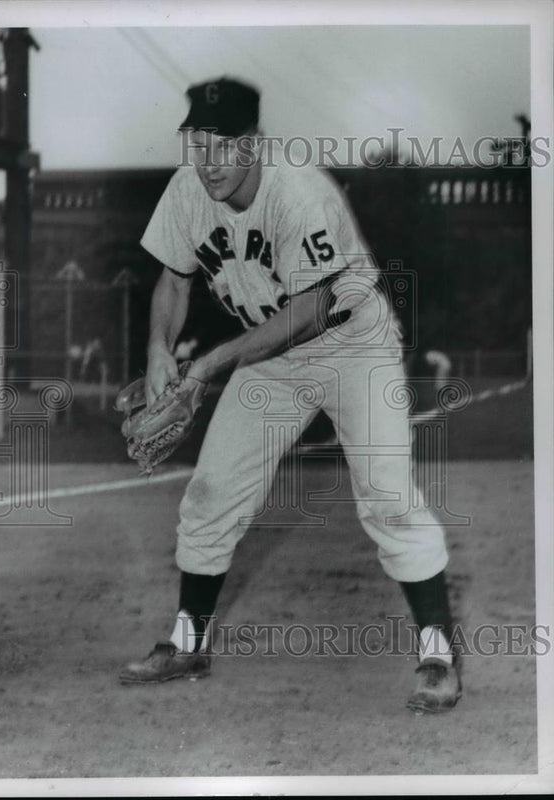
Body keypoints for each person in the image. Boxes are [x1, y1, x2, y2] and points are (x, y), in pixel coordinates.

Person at [120, 77, 461, 713]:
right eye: (197, 141)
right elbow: (173, 278)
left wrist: (210, 364)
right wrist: (159, 350)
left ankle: (438, 652)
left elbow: (306, 315)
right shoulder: (187, 189)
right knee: (214, 490)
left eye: (223, 145)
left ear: (254, 143)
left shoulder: (298, 191)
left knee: (388, 497)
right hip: (271, 357)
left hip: (353, 345)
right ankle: (188, 640)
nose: (209, 160)